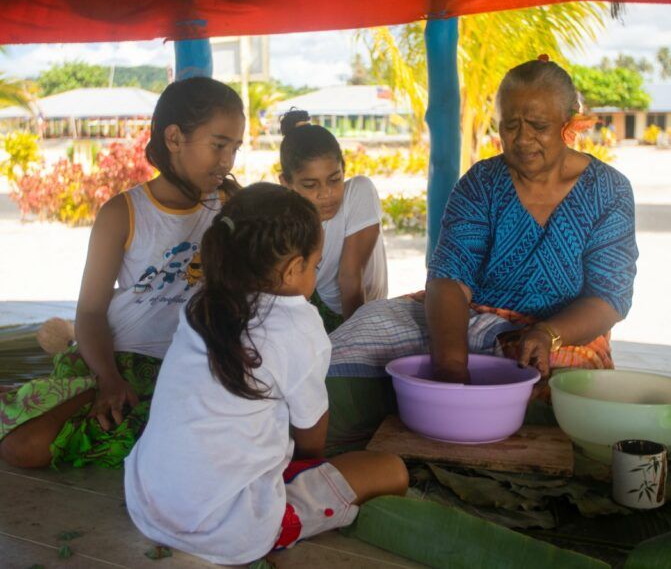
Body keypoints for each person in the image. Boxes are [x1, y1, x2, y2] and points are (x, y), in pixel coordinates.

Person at [124, 183, 408, 565]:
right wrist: (308, 468)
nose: (314, 272)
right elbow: (312, 434)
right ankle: (281, 517)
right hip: (229, 530)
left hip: (148, 502)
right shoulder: (298, 324)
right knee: (391, 470)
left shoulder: (202, 305)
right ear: (293, 270)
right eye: (315, 264)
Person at [328, 57, 638, 388]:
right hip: (472, 316)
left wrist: (548, 333)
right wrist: (451, 363)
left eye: (538, 126)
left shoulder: (608, 191)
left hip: (562, 331)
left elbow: (609, 299)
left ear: (568, 124)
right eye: (510, 125)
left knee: (556, 370)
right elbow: (449, 278)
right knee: (362, 330)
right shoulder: (482, 183)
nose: (522, 139)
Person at [0, 77, 245, 469]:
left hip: (190, 368)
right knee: (24, 447)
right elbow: (92, 312)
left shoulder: (232, 206)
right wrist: (109, 379)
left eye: (235, 147)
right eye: (219, 144)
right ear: (174, 137)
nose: (228, 161)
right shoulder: (123, 213)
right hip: (119, 361)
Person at [279, 109, 387, 332]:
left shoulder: (358, 192)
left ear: (343, 170)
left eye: (334, 180)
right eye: (310, 185)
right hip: (308, 318)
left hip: (358, 314)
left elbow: (350, 277)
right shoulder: (283, 216)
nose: (326, 194)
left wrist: (354, 340)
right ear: (286, 183)